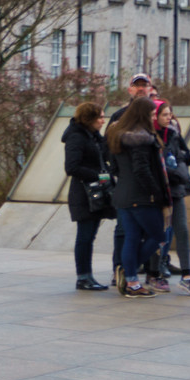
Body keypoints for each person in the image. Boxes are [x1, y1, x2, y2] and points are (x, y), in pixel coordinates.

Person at [106, 97, 168, 298]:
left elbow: (114, 168)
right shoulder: (141, 139)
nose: (154, 118)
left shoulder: (118, 135)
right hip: (141, 197)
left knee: (132, 237)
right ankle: (126, 270)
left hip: (123, 194)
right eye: (151, 115)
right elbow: (142, 170)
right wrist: (156, 194)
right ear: (143, 115)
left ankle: (132, 282)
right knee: (160, 236)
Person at [106, 73, 156, 289]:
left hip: (135, 187)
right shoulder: (120, 118)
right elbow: (109, 150)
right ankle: (125, 269)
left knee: (140, 233)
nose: (141, 89)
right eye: (137, 86)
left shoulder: (155, 116)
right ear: (130, 89)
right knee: (129, 232)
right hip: (133, 187)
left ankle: (141, 271)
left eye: (144, 86)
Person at [61, 102, 110, 292]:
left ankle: (87, 276)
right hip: (84, 193)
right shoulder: (76, 137)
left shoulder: (95, 136)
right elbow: (71, 167)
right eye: (99, 117)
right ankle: (83, 277)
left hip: (95, 192)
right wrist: (99, 176)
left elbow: (106, 155)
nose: (103, 121)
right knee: (85, 235)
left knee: (89, 236)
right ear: (88, 119)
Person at [154, 101, 190, 296]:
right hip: (158, 190)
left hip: (176, 189)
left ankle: (187, 275)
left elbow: (188, 157)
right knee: (157, 233)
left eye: (170, 114)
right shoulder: (149, 137)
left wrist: (177, 159)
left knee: (181, 229)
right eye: (164, 114)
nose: (169, 118)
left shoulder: (173, 134)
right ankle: (155, 273)